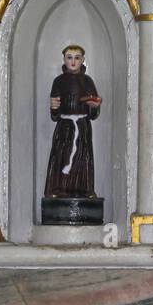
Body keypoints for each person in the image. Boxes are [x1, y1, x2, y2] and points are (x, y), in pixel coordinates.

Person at [43, 44, 102, 200]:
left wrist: (94, 107)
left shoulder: (88, 81)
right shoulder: (59, 81)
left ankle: (85, 189)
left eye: (77, 58)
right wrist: (54, 107)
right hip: (65, 126)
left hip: (82, 126)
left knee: (83, 157)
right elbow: (54, 114)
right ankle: (57, 188)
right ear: (64, 59)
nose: (73, 62)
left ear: (83, 60)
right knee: (61, 155)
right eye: (70, 58)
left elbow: (93, 113)